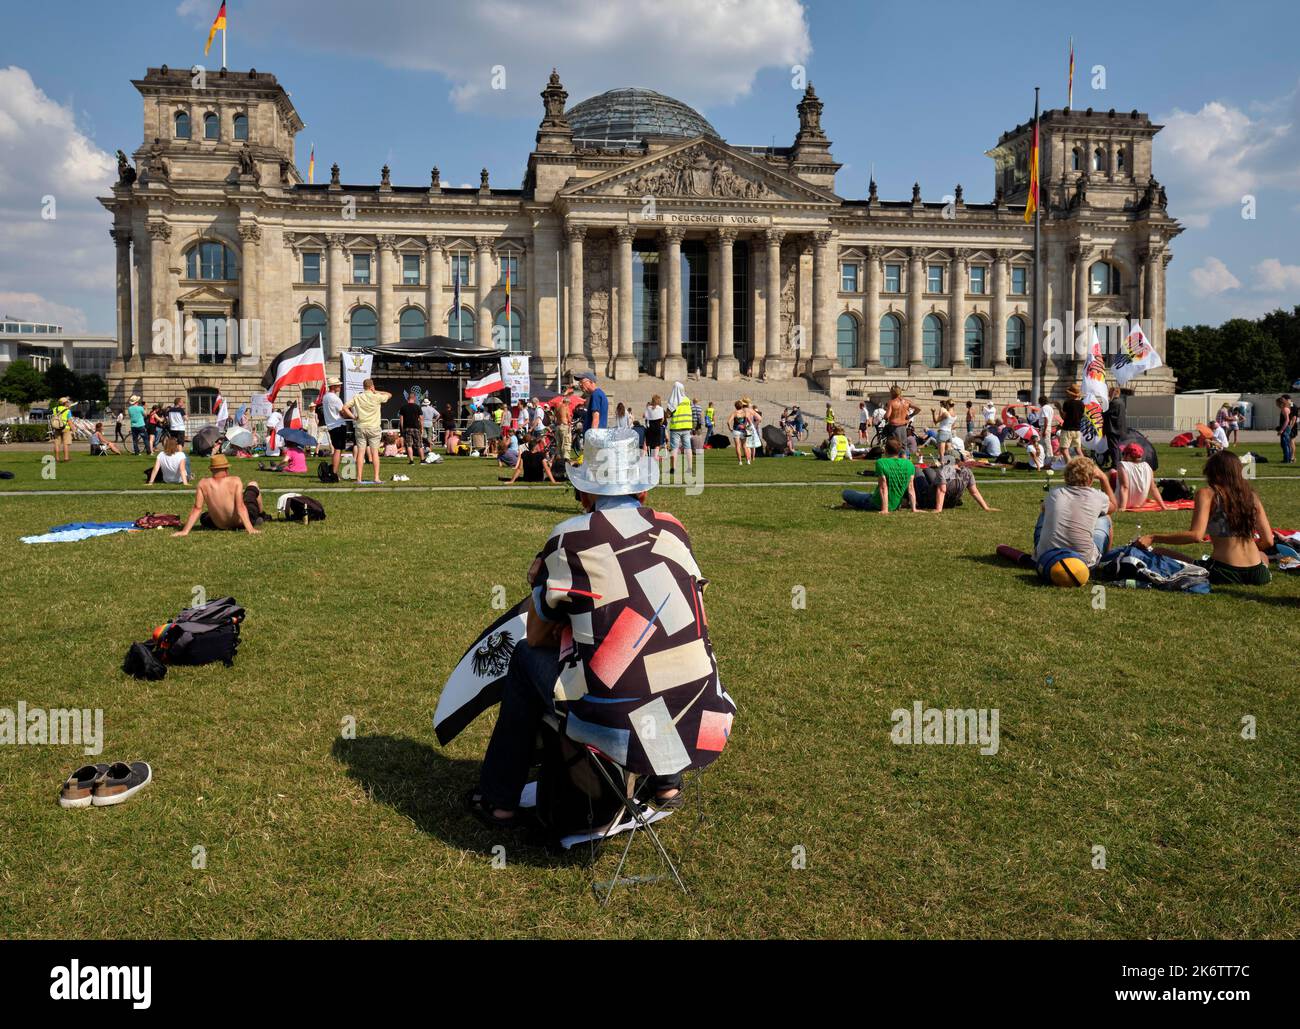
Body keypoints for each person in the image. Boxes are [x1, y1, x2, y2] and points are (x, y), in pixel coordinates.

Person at [466, 428, 728, 825]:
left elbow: (536, 636)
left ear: (585, 495)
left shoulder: (569, 538)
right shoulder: (674, 528)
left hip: (612, 722)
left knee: (524, 659)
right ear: (642, 492)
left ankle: (499, 798)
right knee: (656, 658)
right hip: (704, 714)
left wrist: (542, 592)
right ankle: (667, 784)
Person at [1136, 450, 1275, 586]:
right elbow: (1268, 541)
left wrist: (1154, 537)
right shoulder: (1251, 496)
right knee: (1262, 555)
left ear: (1213, 472)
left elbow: (1196, 536)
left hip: (1223, 571)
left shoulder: (1208, 494)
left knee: (1158, 551)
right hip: (1258, 573)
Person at [1033, 456, 1117, 569]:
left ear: (1066, 476)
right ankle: (1105, 558)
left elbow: (1044, 509)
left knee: (1044, 513)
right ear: (1091, 478)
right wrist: (1103, 478)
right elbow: (1114, 506)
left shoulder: (1054, 494)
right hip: (1082, 563)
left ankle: (1041, 549)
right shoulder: (1097, 497)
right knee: (1105, 517)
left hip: (1046, 559)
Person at [174, 455, 262, 536]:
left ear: (211, 469)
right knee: (252, 485)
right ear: (226, 468)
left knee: (204, 517)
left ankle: (259, 517)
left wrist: (185, 531)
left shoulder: (203, 483)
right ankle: (262, 515)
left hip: (220, 525)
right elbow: (241, 507)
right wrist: (250, 529)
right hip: (240, 524)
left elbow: (197, 509)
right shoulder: (235, 481)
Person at [841, 437, 916, 513]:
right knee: (866, 495)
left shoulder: (881, 462)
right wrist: (914, 509)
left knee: (846, 493)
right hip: (895, 505)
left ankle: (854, 504)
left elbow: (883, 487)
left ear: (886, 450)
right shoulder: (909, 464)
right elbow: (911, 488)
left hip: (877, 503)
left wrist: (885, 509)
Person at [340, 378, 391, 484]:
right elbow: (389, 394)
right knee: (375, 453)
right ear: (372, 386)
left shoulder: (357, 397)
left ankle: (359, 478)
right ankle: (376, 478)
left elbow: (344, 407)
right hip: (374, 427)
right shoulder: (376, 397)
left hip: (360, 427)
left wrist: (353, 417)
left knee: (360, 453)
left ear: (363, 387)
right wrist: (376, 391)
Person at [914, 455, 998, 514]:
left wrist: (938, 509)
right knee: (928, 470)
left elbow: (942, 490)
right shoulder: (968, 472)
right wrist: (986, 507)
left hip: (930, 501)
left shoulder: (943, 470)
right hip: (951, 503)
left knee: (917, 470)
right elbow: (974, 492)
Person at [1114, 442, 1167, 512]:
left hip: (1123, 502)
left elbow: (1124, 487)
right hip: (1139, 503)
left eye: (1123, 454)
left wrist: (1122, 507)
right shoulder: (1147, 466)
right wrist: (1163, 506)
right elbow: (1153, 488)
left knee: (1111, 473)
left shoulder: (1122, 465)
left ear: (1128, 456)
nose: (1122, 456)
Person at [317, 377, 349, 479]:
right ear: (334, 386)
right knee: (338, 450)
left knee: (336, 449)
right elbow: (342, 413)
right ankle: (334, 473)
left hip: (331, 425)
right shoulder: (335, 398)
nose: (340, 386)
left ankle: (334, 471)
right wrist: (352, 416)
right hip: (338, 425)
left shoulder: (325, 397)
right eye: (338, 385)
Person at [667, 381, 694, 477]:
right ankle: (690, 468)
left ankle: (673, 468)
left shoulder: (673, 400)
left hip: (676, 427)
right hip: (686, 427)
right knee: (688, 448)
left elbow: (668, 414)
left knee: (674, 448)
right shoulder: (687, 399)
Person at [1103, 386, 1128, 469]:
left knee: (1113, 448)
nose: (1108, 394)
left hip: (1113, 429)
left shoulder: (1114, 402)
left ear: (1114, 392)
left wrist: (1100, 411)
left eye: (1109, 392)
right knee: (1117, 447)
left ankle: (1115, 465)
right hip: (1119, 429)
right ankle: (1117, 463)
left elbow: (1106, 414)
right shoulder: (1121, 402)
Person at [1059, 385, 1084, 463]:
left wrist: (1059, 407)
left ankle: (1069, 465)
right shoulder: (1082, 404)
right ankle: (1085, 465)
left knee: (1064, 449)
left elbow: (1063, 417)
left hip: (1067, 429)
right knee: (1078, 449)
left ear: (1071, 394)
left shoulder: (1067, 403)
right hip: (1077, 429)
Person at [400, 390, 425, 464]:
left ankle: (411, 461)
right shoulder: (417, 407)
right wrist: (422, 428)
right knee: (419, 445)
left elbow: (401, 420)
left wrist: (402, 429)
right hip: (416, 428)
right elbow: (421, 419)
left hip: (407, 428)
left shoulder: (403, 407)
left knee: (409, 445)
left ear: (408, 398)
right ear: (414, 398)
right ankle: (422, 460)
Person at [50, 395, 74, 463]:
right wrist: (73, 429)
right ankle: (66, 458)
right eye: (67, 402)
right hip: (65, 428)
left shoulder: (54, 409)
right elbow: (69, 421)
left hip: (57, 427)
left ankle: (57, 458)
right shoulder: (67, 411)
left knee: (57, 444)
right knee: (66, 444)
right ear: (65, 403)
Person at [727, 400, 751, 466]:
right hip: (743, 430)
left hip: (736, 430)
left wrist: (730, 429)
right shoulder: (744, 413)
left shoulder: (734, 413)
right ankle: (748, 461)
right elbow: (747, 422)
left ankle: (740, 461)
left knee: (738, 446)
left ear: (735, 406)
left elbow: (728, 422)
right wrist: (744, 426)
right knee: (744, 446)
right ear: (741, 406)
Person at [643, 394, 665, 459]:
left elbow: (645, 416)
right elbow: (662, 419)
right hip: (657, 427)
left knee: (647, 443)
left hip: (649, 428)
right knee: (657, 443)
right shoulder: (660, 409)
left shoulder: (648, 408)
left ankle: (643, 456)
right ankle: (655, 456)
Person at [1276, 396, 1295, 464]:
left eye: (1277, 403)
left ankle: (1287, 459)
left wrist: (1281, 430)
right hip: (1287, 428)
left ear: (1281, 403)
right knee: (1285, 444)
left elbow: (1287, 420)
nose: (1277, 405)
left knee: (1285, 444)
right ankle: (1288, 459)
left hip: (1285, 428)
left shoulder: (1284, 409)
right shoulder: (1287, 408)